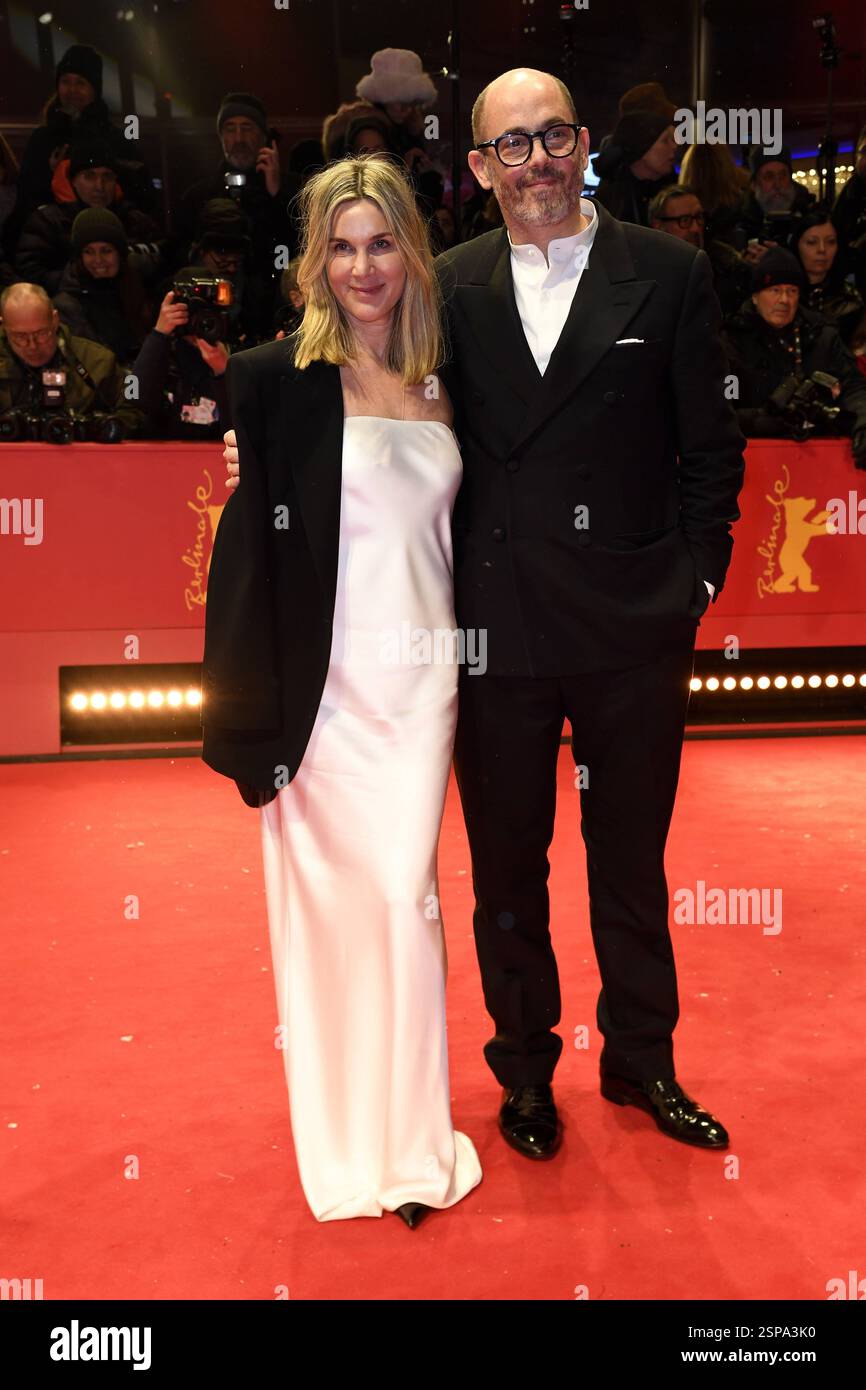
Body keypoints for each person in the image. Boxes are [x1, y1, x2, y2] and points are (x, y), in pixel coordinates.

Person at [224, 68, 746, 1161]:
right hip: (488, 637)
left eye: (552, 136)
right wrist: (260, 444)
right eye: (510, 146)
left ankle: (641, 1058)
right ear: (477, 167)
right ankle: (523, 1074)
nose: (536, 161)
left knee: (629, 857)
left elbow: (712, 449)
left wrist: (694, 579)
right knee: (507, 870)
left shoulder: (668, 272)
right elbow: (360, 389)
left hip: (629, 628)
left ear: (582, 142)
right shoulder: (447, 286)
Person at [200, 155, 483, 1225]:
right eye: (341, 244)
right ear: (313, 260)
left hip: (424, 691)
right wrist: (245, 713)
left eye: (380, 243)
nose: (362, 266)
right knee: (332, 923)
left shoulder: (449, 376)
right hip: (323, 701)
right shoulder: (274, 379)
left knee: (405, 907)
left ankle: (410, 1145)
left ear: (411, 251)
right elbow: (249, 564)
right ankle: (349, 1146)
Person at [721, 247, 866, 462]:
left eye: (792, 291)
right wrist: (761, 420)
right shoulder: (731, 340)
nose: (784, 300)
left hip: (817, 457)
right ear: (755, 296)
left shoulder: (822, 337)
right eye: (775, 290)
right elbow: (721, 407)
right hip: (751, 457)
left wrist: (864, 421)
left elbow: (854, 387)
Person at [0, 281, 145, 437]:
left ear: (55, 320)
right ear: (4, 326)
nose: (32, 345)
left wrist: (109, 427)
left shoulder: (98, 360)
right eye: (20, 337)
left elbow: (135, 396)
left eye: (41, 333)